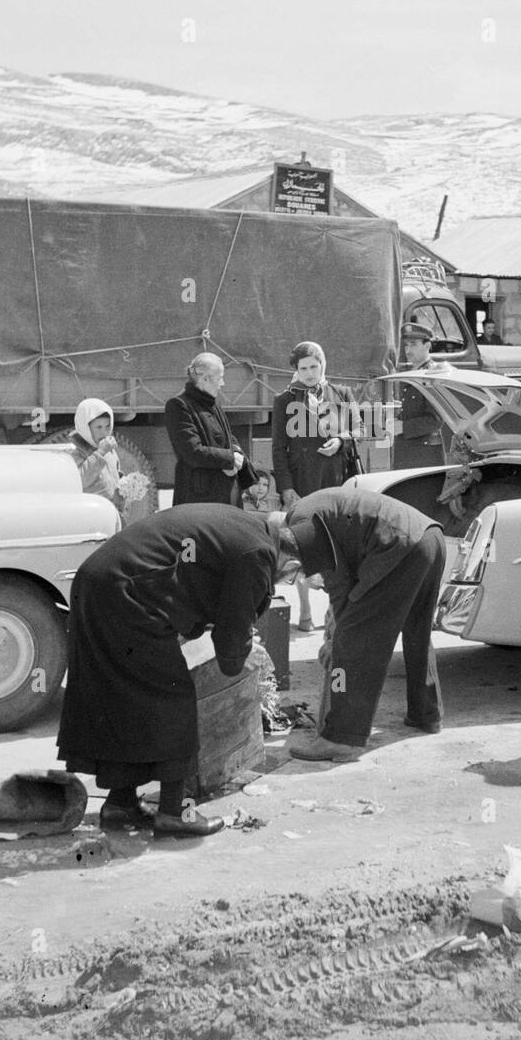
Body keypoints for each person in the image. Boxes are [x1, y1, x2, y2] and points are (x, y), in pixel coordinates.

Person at [57, 503, 283, 837]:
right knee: (172, 695)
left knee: (125, 698)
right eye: (292, 575)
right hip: (124, 592)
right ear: (289, 559)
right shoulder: (258, 552)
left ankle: (121, 804)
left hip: (101, 582)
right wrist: (239, 664)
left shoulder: (245, 526)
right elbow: (232, 633)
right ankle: (175, 813)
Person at [269, 485, 446, 762]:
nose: (301, 576)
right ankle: (426, 714)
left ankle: (342, 739)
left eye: (293, 574)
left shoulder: (301, 524)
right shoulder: (316, 511)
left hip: (398, 546)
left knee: (355, 641)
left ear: (284, 551)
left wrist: (336, 640)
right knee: (417, 630)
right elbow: (345, 572)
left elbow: (340, 586)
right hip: (430, 537)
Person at [271, 340, 362, 632]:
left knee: (338, 545)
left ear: (323, 365)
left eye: (314, 366)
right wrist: (285, 487)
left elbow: (359, 428)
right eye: (303, 368)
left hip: (336, 479)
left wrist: (340, 440)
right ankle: (306, 612)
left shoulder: (343, 393)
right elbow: (278, 448)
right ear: (296, 370)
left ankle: (335, 614)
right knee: (304, 545)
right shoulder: (285, 400)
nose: (310, 372)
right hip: (303, 481)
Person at [165, 352, 256, 506]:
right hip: (199, 499)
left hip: (226, 497)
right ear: (205, 379)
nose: (223, 384)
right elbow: (191, 451)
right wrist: (230, 459)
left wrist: (237, 454)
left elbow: (228, 438)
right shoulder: (178, 405)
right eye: (220, 378)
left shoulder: (213, 402)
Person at [392, 322, 451, 470]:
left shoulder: (434, 375)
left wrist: (402, 427)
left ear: (427, 346)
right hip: (407, 450)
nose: (408, 350)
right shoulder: (413, 372)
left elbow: (435, 419)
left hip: (425, 454)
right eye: (406, 345)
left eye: (413, 344)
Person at [65, 398, 127, 521]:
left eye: (107, 426)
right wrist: (101, 453)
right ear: (85, 427)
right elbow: (80, 480)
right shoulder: (75, 450)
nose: (104, 432)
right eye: (98, 427)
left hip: (112, 513)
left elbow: (114, 472)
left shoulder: (109, 449)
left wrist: (125, 483)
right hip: (91, 516)